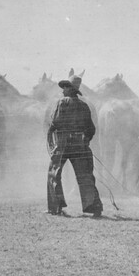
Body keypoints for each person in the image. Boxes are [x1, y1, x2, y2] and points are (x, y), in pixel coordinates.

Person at [46, 76, 103, 217]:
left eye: (65, 87)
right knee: (86, 176)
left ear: (70, 89)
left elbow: (56, 122)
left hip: (63, 143)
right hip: (79, 144)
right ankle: (94, 207)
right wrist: (85, 140)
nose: (63, 90)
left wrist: (50, 132)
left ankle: (56, 207)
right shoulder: (84, 106)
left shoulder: (62, 103)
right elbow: (91, 129)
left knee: (54, 173)